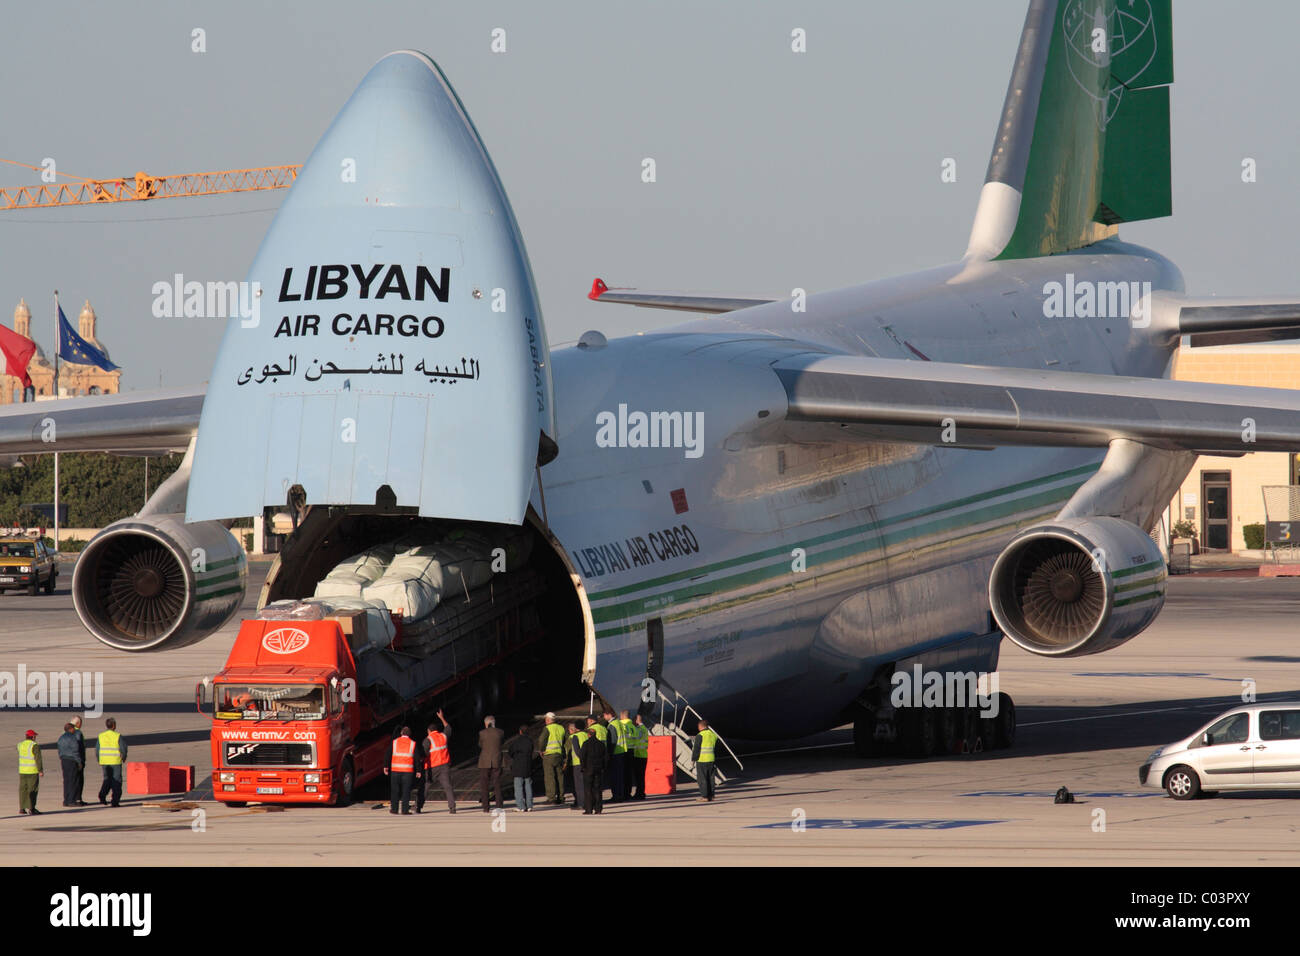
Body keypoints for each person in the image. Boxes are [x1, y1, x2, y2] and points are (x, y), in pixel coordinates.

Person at [423, 710, 455, 813]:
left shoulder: (427, 740)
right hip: (444, 766)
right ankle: (452, 807)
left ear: (429, 731)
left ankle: (418, 806)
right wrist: (442, 718)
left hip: (432, 767)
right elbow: (448, 728)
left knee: (425, 787)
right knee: (448, 787)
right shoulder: (443, 736)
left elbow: (424, 753)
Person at [385, 726, 417, 815]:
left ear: (401, 733)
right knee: (406, 791)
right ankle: (404, 810)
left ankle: (394, 809)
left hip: (395, 770)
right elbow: (417, 758)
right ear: (409, 734)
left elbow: (388, 754)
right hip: (407, 771)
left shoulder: (395, 742)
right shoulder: (412, 743)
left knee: (395, 790)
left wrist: (386, 766)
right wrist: (418, 770)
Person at [477, 715, 505, 813]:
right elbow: (502, 743)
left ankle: (486, 807)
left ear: (486, 723)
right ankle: (499, 806)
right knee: (497, 784)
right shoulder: (500, 732)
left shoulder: (482, 733)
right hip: (497, 760)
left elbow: (480, 744)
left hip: (485, 761)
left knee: (484, 785)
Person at [538, 712, 567, 805]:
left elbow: (541, 740)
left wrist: (541, 750)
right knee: (560, 776)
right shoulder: (561, 728)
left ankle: (551, 798)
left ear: (548, 720)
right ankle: (561, 797)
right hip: (559, 755)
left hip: (549, 755)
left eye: (546, 719)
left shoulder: (547, 728)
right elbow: (566, 741)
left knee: (550, 777)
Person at [506, 724, 536, 812]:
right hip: (528, 765)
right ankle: (529, 805)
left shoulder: (516, 742)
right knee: (528, 785)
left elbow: (510, 751)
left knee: (518, 786)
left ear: (520, 732)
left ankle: (521, 806)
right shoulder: (530, 741)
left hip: (518, 766)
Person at [97, 718, 126, 807]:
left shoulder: (101, 736)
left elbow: (97, 749)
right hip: (115, 761)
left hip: (105, 762)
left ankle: (102, 795)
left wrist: (99, 759)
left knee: (107, 780)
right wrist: (123, 757)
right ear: (114, 725)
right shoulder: (117, 736)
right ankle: (115, 801)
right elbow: (123, 748)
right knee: (117, 781)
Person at [578, 722, 607, 814]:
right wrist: (603, 767)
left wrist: (582, 767)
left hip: (588, 769)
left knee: (588, 789)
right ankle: (598, 809)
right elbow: (606, 757)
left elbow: (582, 756)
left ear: (588, 735)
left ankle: (589, 809)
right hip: (598, 769)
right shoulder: (601, 744)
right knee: (598, 789)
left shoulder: (586, 744)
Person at [691, 720, 720, 802]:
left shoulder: (700, 735)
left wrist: (693, 759)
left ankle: (705, 797)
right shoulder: (713, 735)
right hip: (711, 759)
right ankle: (712, 796)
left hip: (702, 760)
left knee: (702, 779)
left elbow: (696, 749)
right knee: (711, 779)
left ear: (700, 726)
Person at [602, 709, 627, 803]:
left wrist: (608, 754)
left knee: (614, 776)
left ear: (609, 715)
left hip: (615, 753)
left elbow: (612, 741)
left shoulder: (611, 725)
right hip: (622, 752)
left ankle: (616, 796)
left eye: (604, 714)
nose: (604, 716)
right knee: (620, 776)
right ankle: (620, 795)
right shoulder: (619, 723)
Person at [57, 722, 83, 807]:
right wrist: (79, 762)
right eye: (73, 729)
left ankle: (66, 800)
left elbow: (59, 749)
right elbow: (75, 750)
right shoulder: (73, 738)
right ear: (70, 729)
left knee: (66, 781)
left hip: (64, 760)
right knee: (73, 781)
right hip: (72, 760)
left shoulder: (61, 738)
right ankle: (72, 800)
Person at [17, 729, 42, 815]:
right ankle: (32, 808)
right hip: (32, 771)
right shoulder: (34, 745)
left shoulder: (20, 745)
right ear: (33, 737)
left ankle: (22, 808)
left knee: (23, 789)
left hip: (22, 771)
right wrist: (40, 770)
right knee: (33, 790)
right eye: (35, 736)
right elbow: (38, 759)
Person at [565, 720, 588, 812]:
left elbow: (576, 751)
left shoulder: (575, 736)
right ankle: (587, 802)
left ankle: (581, 804)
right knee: (586, 784)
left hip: (577, 763)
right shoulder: (586, 735)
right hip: (587, 762)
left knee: (579, 786)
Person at [629, 713, 649, 800]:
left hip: (639, 755)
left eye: (634, 720)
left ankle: (640, 794)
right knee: (641, 776)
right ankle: (641, 793)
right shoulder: (644, 728)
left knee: (639, 777)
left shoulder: (640, 729)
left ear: (637, 720)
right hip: (643, 754)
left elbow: (635, 738)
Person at [71, 716, 86, 804]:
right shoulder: (77, 732)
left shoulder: (66, 731)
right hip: (78, 759)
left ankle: (72, 798)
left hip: (69, 759)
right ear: (78, 724)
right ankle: (78, 798)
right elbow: (78, 747)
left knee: (72, 780)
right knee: (79, 780)